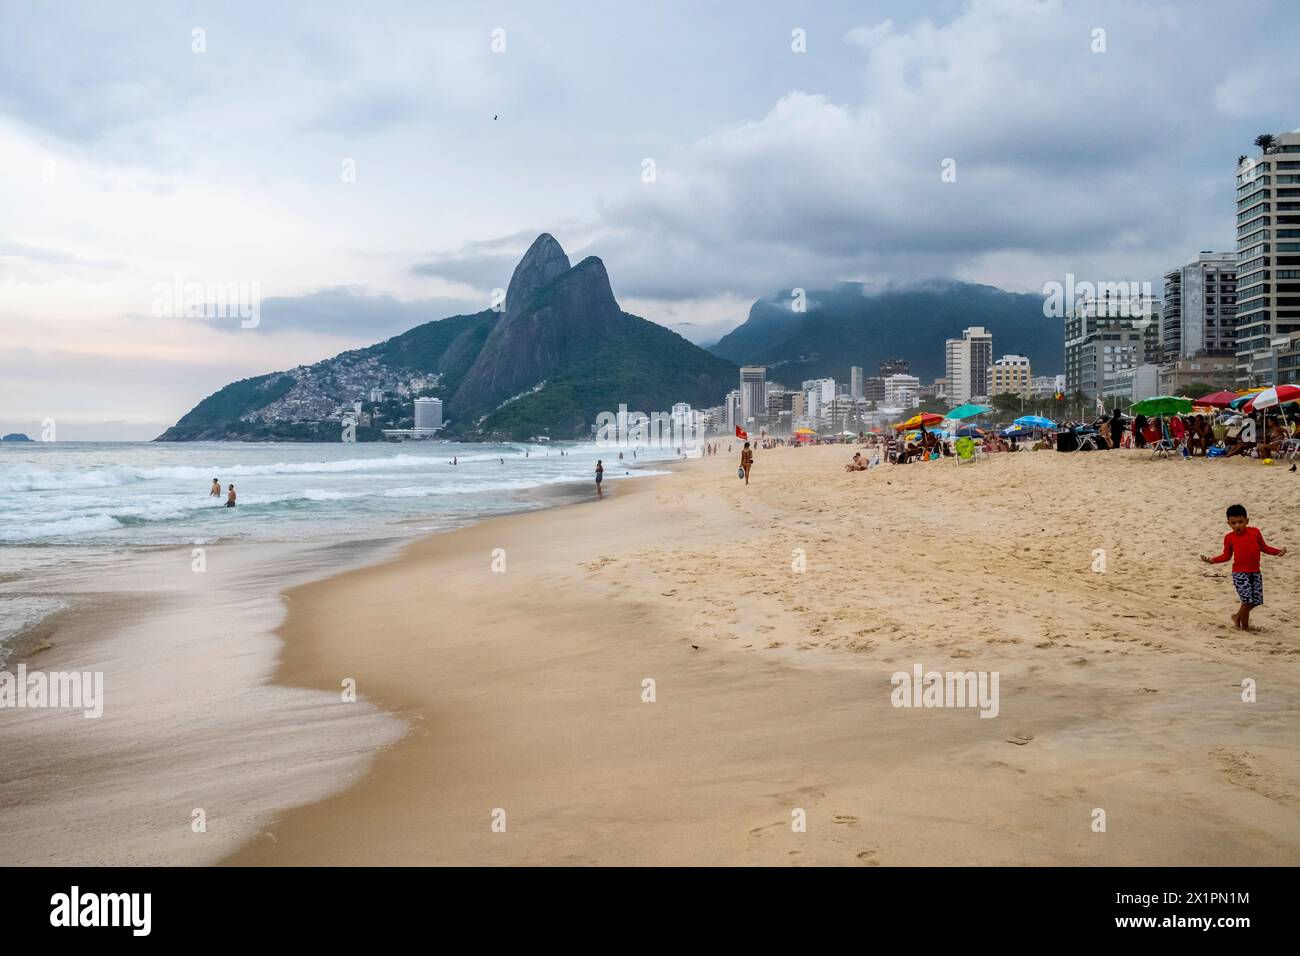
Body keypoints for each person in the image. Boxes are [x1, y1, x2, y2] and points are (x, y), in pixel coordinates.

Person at [1200, 504, 1287, 631]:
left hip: (1255, 572)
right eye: (1233, 523)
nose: (1237, 525)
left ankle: (1237, 616)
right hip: (1239, 573)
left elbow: (1264, 547)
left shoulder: (1255, 532)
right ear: (1229, 523)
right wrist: (1212, 560)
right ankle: (1245, 628)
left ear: (1247, 521)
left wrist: (1277, 552)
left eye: (1240, 522)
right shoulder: (1229, 537)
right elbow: (1226, 556)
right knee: (1247, 601)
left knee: (1256, 601)